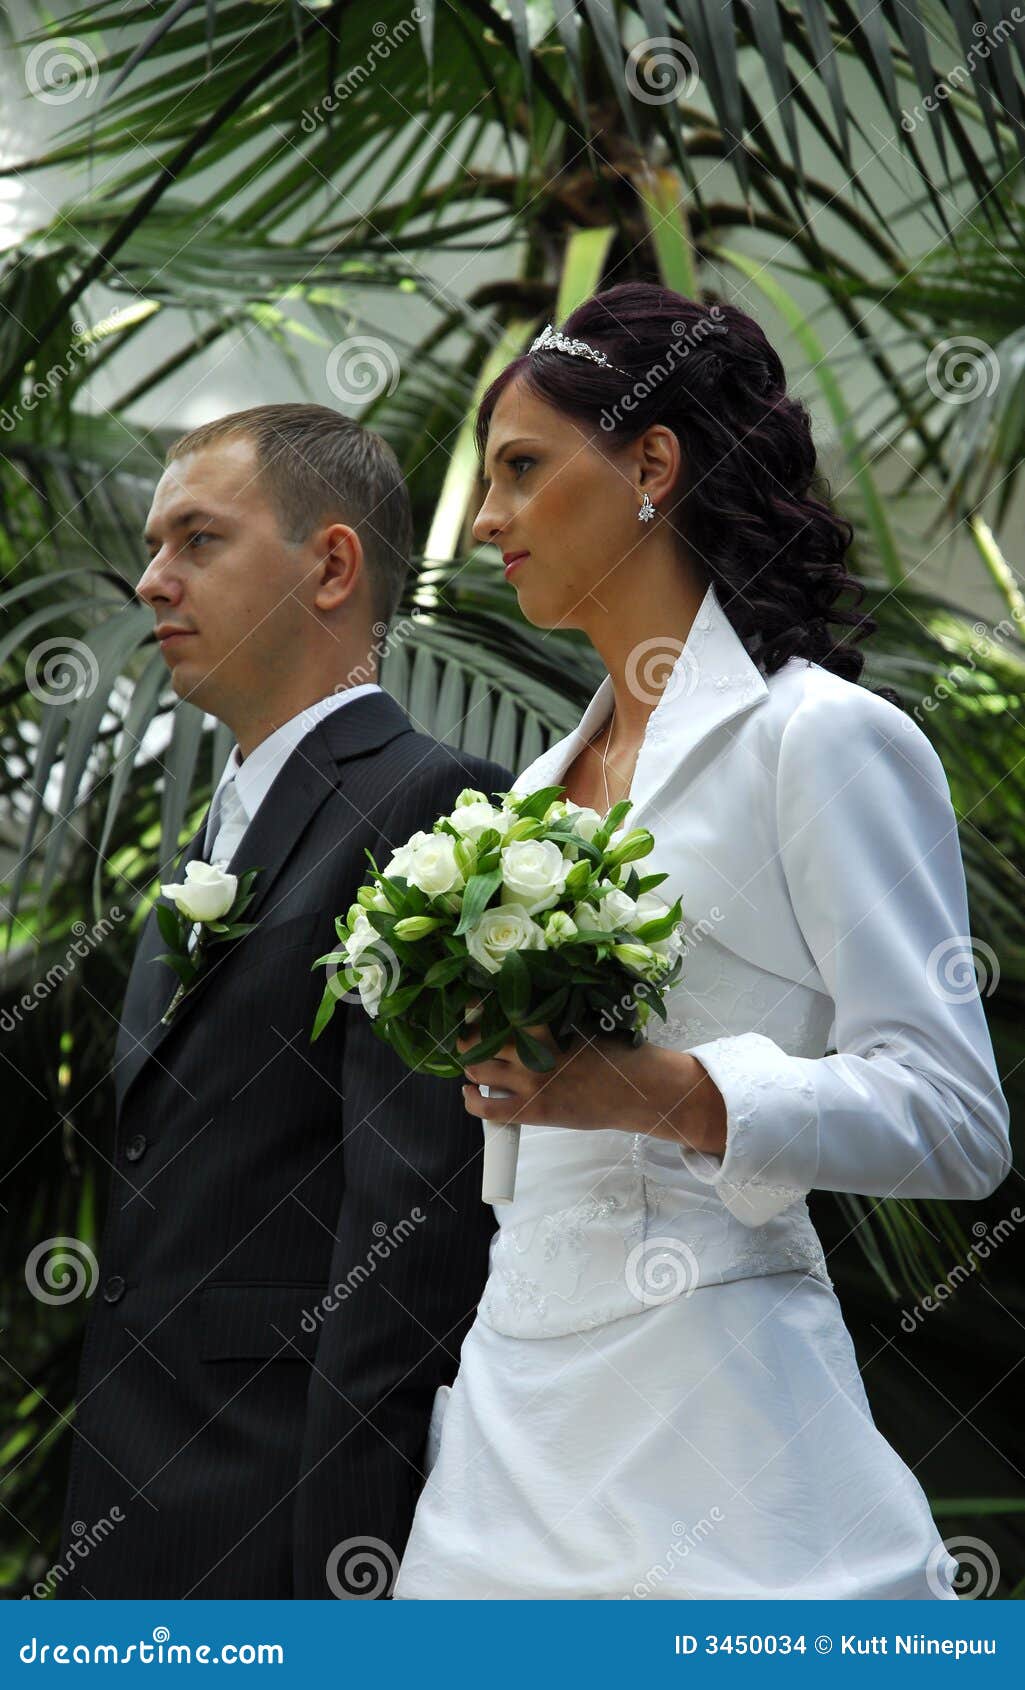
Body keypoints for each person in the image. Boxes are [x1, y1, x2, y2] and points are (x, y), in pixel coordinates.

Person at [392, 284, 1012, 1601]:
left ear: (649, 466)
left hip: (726, 1428)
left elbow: (957, 1116)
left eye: (520, 468)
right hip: (509, 1420)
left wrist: (674, 1090)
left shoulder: (822, 740)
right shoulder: (518, 805)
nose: (487, 518)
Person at [57, 403, 512, 1598]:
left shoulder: (432, 809)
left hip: (280, 1518)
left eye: (197, 540)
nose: (152, 581)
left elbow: (412, 1225)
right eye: (154, 546)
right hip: (138, 1501)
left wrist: (344, 1575)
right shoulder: (213, 833)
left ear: (330, 565)